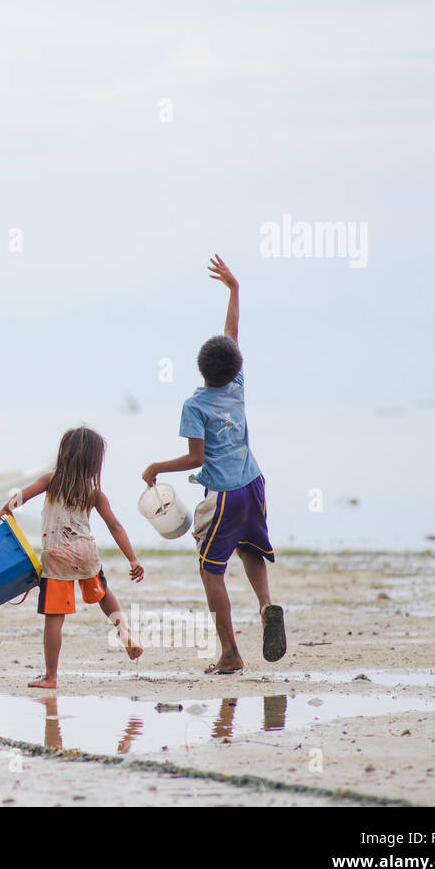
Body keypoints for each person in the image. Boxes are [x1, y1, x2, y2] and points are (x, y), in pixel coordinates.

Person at [142, 255, 285, 674]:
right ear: (235, 368)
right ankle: (266, 606)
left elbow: (196, 458)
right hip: (254, 483)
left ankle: (230, 654)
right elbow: (232, 332)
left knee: (211, 571)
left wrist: (155, 468)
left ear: (200, 368)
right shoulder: (237, 387)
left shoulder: (194, 405)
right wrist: (234, 288)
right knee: (250, 547)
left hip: (223, 495)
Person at [0, 426, 146, 689]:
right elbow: (115, 526)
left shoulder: (50, 480)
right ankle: (123, 631)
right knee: (103, 594)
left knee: (54, 619)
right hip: (86, 552)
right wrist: (132, 559)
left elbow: (22, 496)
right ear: (94, 462)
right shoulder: (94, 492)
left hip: (57, 557)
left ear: (64, 453)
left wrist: (6, 509)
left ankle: (51, 676)